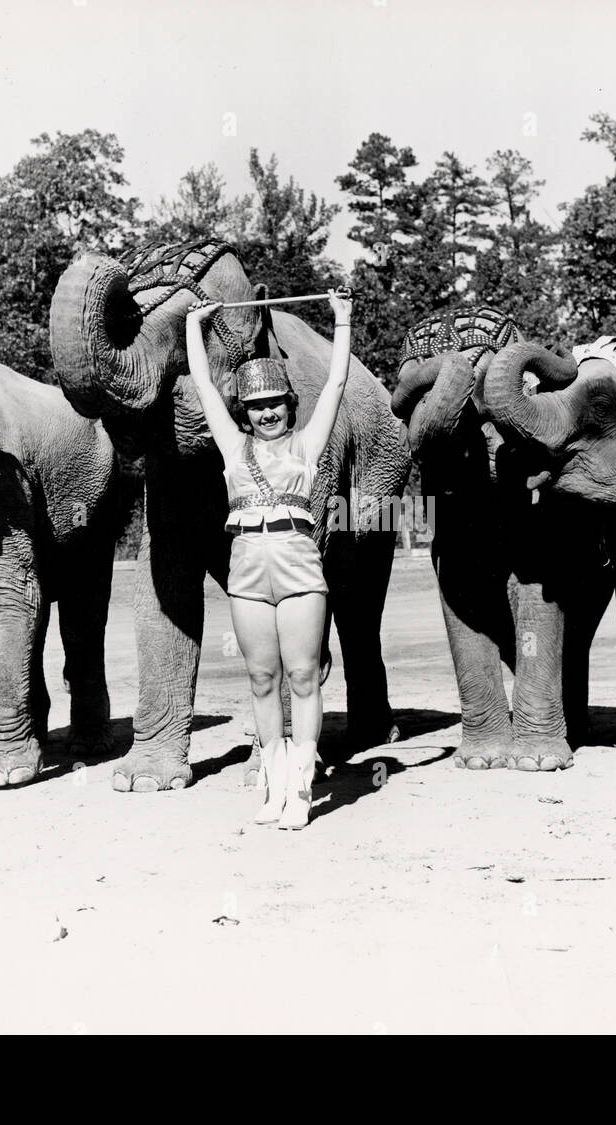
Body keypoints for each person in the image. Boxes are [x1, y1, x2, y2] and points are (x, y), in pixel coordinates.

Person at [185, 290, 353, 829]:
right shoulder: (233, 449)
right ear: (247, 413)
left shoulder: (307, 446)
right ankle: (273, 780)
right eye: (257, 406)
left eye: (275, 403)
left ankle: (301, 785)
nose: (267, 413)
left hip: (300, 566)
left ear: (289, 404)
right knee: (261, 676)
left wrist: (342, 318)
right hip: (248, 570)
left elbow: (336, 383)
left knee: (303, 675)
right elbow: (206, 386)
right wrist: (196, 325)